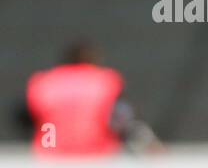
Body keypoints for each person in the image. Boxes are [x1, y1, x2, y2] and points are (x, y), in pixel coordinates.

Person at [21, 42, 159, 158]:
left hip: (50, 156)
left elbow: (26, 118)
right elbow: (123, 117)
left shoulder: (43, 83)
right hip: (97, 157)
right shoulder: (106, 81)